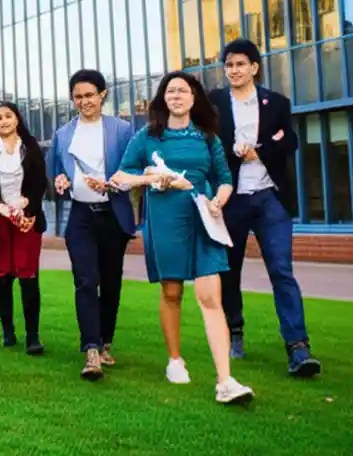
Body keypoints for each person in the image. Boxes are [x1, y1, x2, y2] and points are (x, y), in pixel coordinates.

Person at [110, 71, 254, 405]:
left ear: (193, 98)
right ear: (163, 99)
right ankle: (175, 359)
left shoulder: (207, 137)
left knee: (210, 296)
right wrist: (153, 179)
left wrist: (220, 199)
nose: (176, 96)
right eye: (170, 91)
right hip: (164, 220)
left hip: (203, 218)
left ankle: (225, 380)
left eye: (183, 91)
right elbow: (120, 176)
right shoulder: (147, 136)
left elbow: (224, 178)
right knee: (172, 291)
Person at [209, 39, 321, 377]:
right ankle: (234, 332)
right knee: (229, 271)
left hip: (270, 198)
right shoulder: (214, 103)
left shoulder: (277, 102)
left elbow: (290, 141)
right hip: (232, 200)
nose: (235, 71)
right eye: (229, 65)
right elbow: (206, 143)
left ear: (255, 67)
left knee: (281, 270)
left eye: (241, 64)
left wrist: (261, 152)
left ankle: (298, 348)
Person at [48, 69, 137, 380]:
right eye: (78, 96)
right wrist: (59, 181)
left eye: (89, 95)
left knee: (110, 281)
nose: (84, 101)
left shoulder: (122, 130)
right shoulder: (62, 134)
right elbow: (56, 173)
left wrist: (111, 184)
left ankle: (106, 342)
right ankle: (91, 349)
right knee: (85, 280)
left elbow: (133, 170)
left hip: (113, 214)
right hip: (81, 216)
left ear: (103, 95)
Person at [0, 102, 48, 355]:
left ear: (17, 119)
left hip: (26, 217)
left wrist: (28, 206)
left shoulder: (31, 147)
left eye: (8, 116)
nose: (3, 121)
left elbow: (39, 183)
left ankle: (33, 336)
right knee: (2, 276)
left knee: (28, 274)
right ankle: (8, 331)